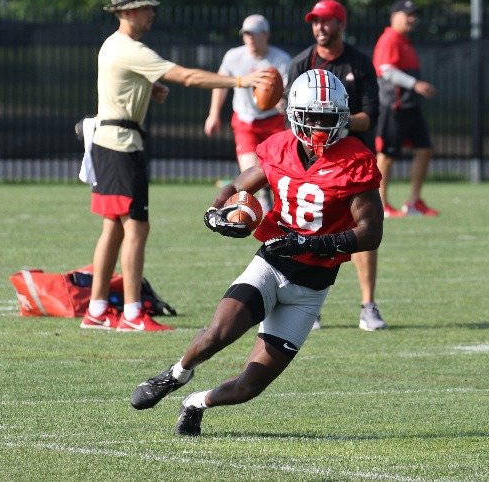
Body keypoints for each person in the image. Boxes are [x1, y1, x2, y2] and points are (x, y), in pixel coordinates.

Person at [129, 69, 383, 436]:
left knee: (250, 385)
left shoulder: (355, 160)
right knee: (218, 332)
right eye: (312, 116)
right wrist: (215, 213)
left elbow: (370, 233)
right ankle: (175, 375)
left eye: (328, 118)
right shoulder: (279, 148)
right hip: (271, 264)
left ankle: (196, 401)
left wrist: (311, 244)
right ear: (296, 114)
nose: (320, 126)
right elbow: (235, 185)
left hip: (310, 289)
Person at [81, 0, 273, 332]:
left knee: (113, 226)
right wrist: (240, 81)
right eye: (148, 9)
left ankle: (96, 310)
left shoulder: (113, 45)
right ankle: (132, 313)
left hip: (107, 142)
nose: (153, 14)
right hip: (122, 146)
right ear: (133, 11)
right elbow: (187, 77)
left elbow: (122, 80)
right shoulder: (131, 48)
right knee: (137, 227)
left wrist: (149, 87)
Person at [285, 0, 386, 331]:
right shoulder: (302, 63)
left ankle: (368, 305)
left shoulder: (359, 62)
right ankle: (308, 306)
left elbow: (370, 116)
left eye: (327, 21)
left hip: (352, 159)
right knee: (308, 231)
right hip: (311, 163)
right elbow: (291, 118)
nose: (320, 27)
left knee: (364, 228)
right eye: (315, 22)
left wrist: (334, 123)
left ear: (341, 24)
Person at [204, 14, 291, 213]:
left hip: (273, 121)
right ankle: (255, 206)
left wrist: (281, 101)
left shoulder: (281, 59)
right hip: (245, 120)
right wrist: (213, 114)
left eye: (254, 34)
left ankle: (273, 201)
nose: (249, 38)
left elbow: (287, 92)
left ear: (266, 35)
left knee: (275, 171)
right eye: (246, 34)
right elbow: (220, 85)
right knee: (250, 171)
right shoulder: (234, 56)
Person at [372, 0, 440, 217]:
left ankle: (413, 202)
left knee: (425, 149)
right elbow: (386, 70)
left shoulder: (404, 40)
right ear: (394, 16)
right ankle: (381, 203)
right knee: (387, 155)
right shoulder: (389, 38)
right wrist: (415, 84)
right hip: (395, 106)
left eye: (414, 15)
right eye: (407, 14)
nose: (412, 18)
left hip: (411, 106)